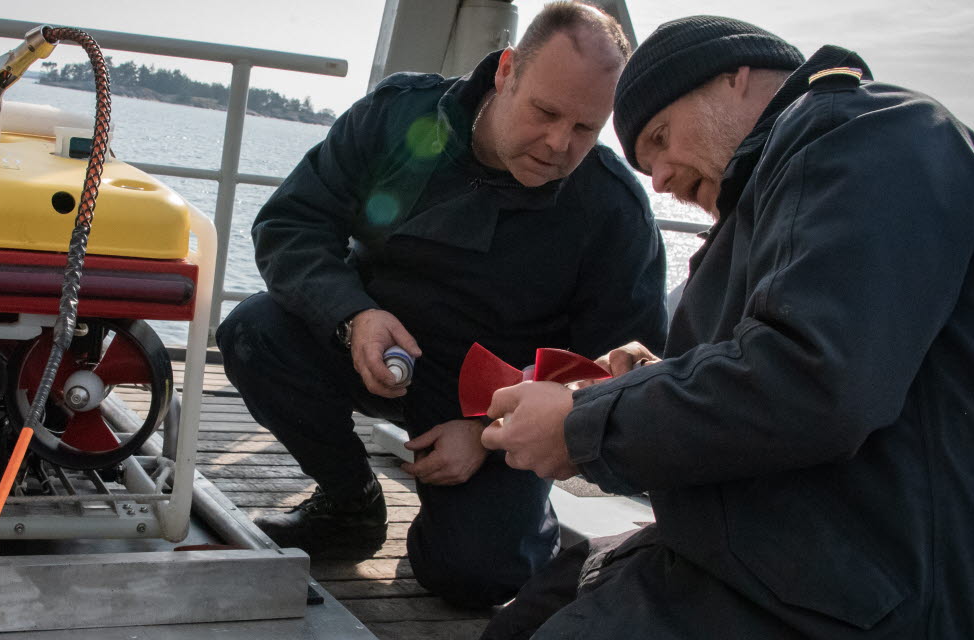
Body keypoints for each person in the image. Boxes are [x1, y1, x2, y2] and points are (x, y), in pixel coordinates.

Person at [428, 14, 974, 640]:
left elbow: (817, 385)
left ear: (732, 76)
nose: (655, 176)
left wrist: (585, 426)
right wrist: (642, 381)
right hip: (775, 554)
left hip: (846, 629)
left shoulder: (880, 135)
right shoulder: (789, 192)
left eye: (657, 137)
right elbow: (781, 374)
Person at [216, 2, 667, 608]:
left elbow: (615, 364)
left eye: (586, 128)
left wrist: (488, 432)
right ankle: (349, 502)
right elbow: (291, 223)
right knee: (252, 332)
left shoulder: (615, 211)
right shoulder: (397, 115)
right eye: (545, 112)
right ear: (506, 71)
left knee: (477, 575)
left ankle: (508, 529)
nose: (560, 144)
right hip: (374, 347)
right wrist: (352, 317)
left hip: (502, 396)